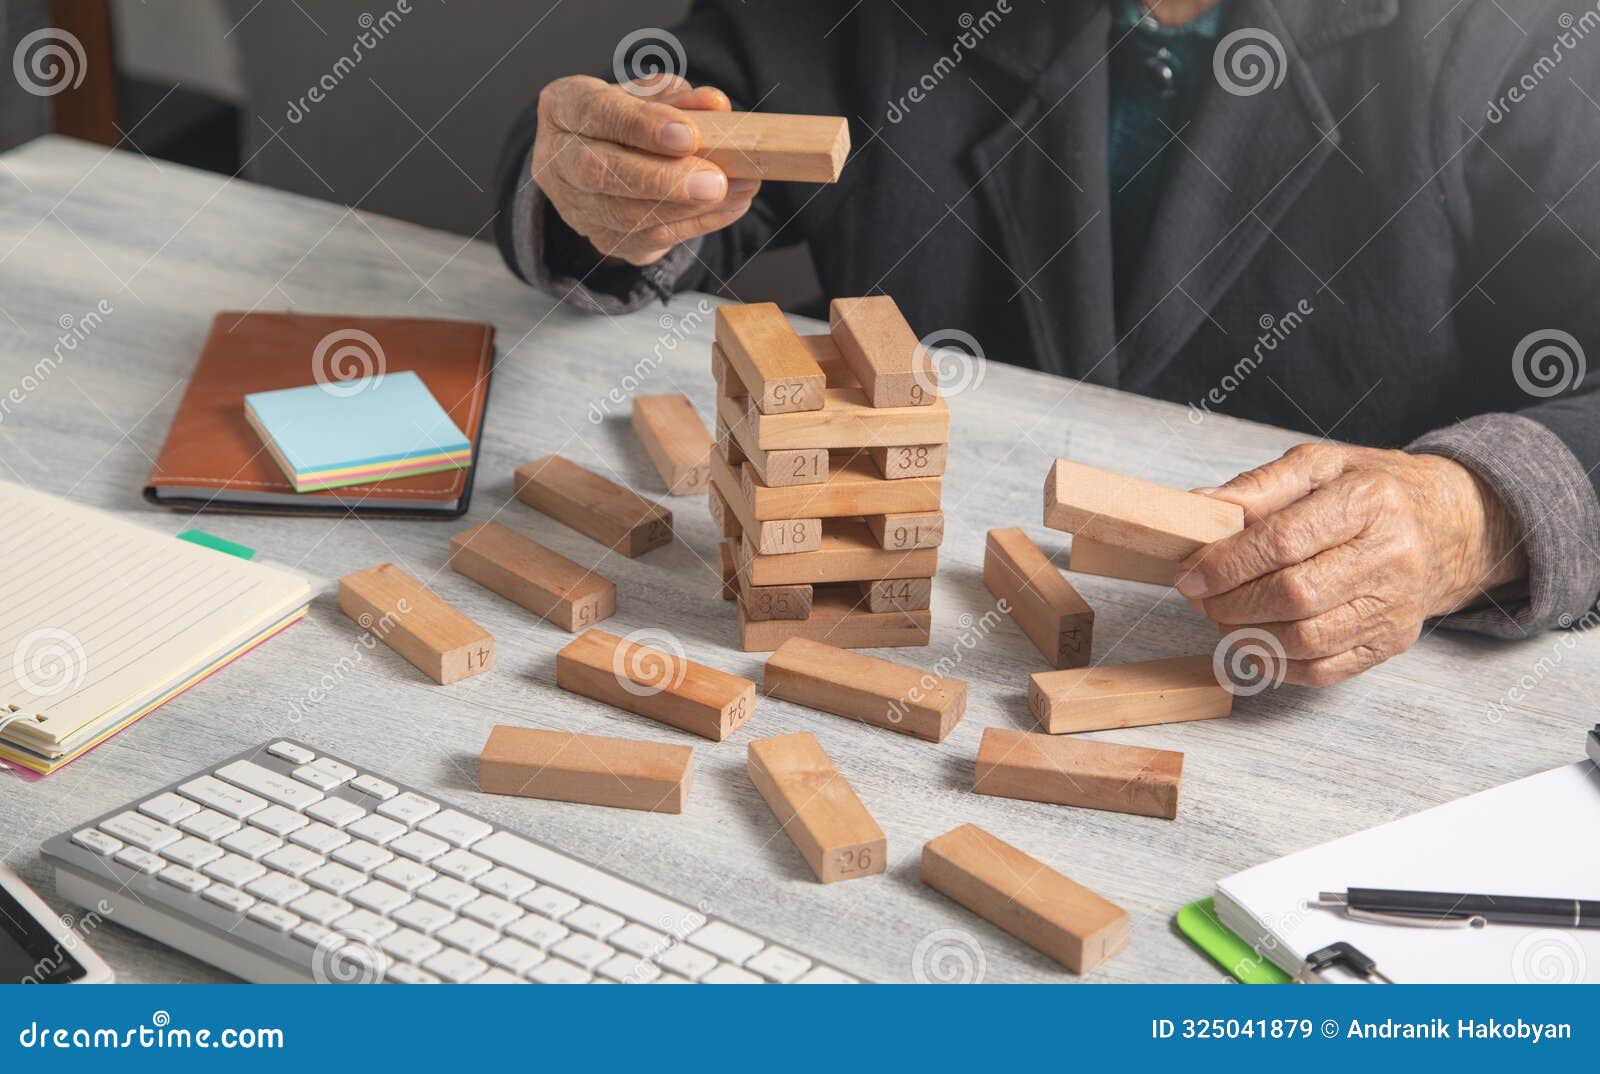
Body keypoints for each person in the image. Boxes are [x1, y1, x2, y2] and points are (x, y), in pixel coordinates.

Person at [494, 0, 1600, 684]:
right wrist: (605, 190)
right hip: (921, 649)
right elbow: (651, 140)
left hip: (1345, 712)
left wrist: (1479, 519)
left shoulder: (1525, 30)